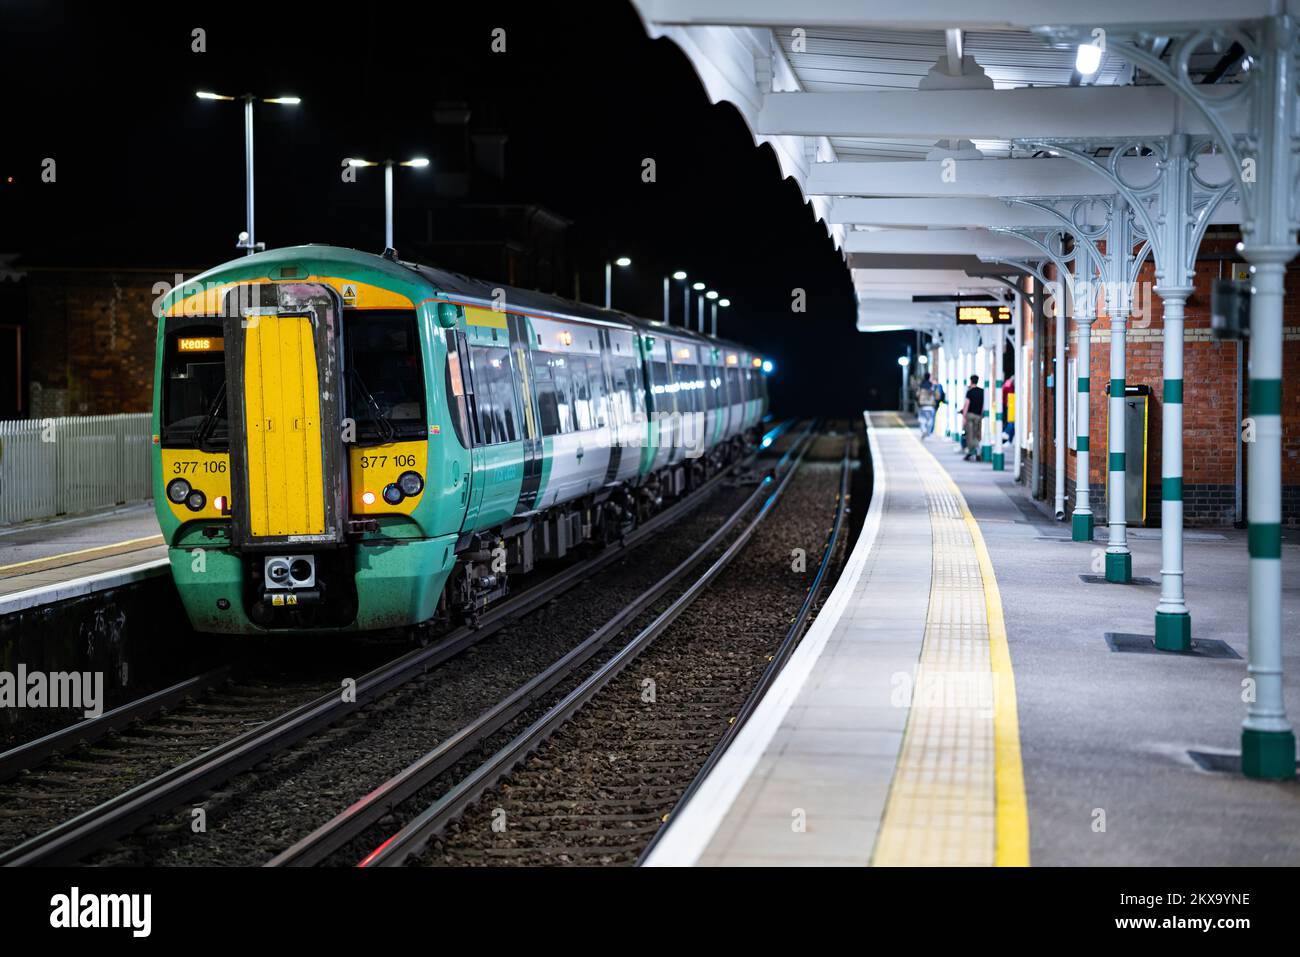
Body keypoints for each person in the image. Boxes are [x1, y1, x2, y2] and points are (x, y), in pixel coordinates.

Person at [961, 373, 984, 461]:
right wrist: (981, 415)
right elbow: (982, 405)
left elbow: (966, 404)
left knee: (970, 435)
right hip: (978, 416)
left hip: (970, 415)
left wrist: (964, 417)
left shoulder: (969, 392)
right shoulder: (982, 391)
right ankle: (977, 450)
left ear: (971, 381)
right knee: (977, 434)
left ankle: (972, 451)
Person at [916, 372, 938, 438]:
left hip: (923, 406)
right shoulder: (932, 386)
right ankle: (928, 432)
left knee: (922, 420)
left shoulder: (921, 385)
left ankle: (924, 430)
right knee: (930, 420)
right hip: (931, 406)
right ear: (929, 377)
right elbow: (937, 396)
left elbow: (917, 395)